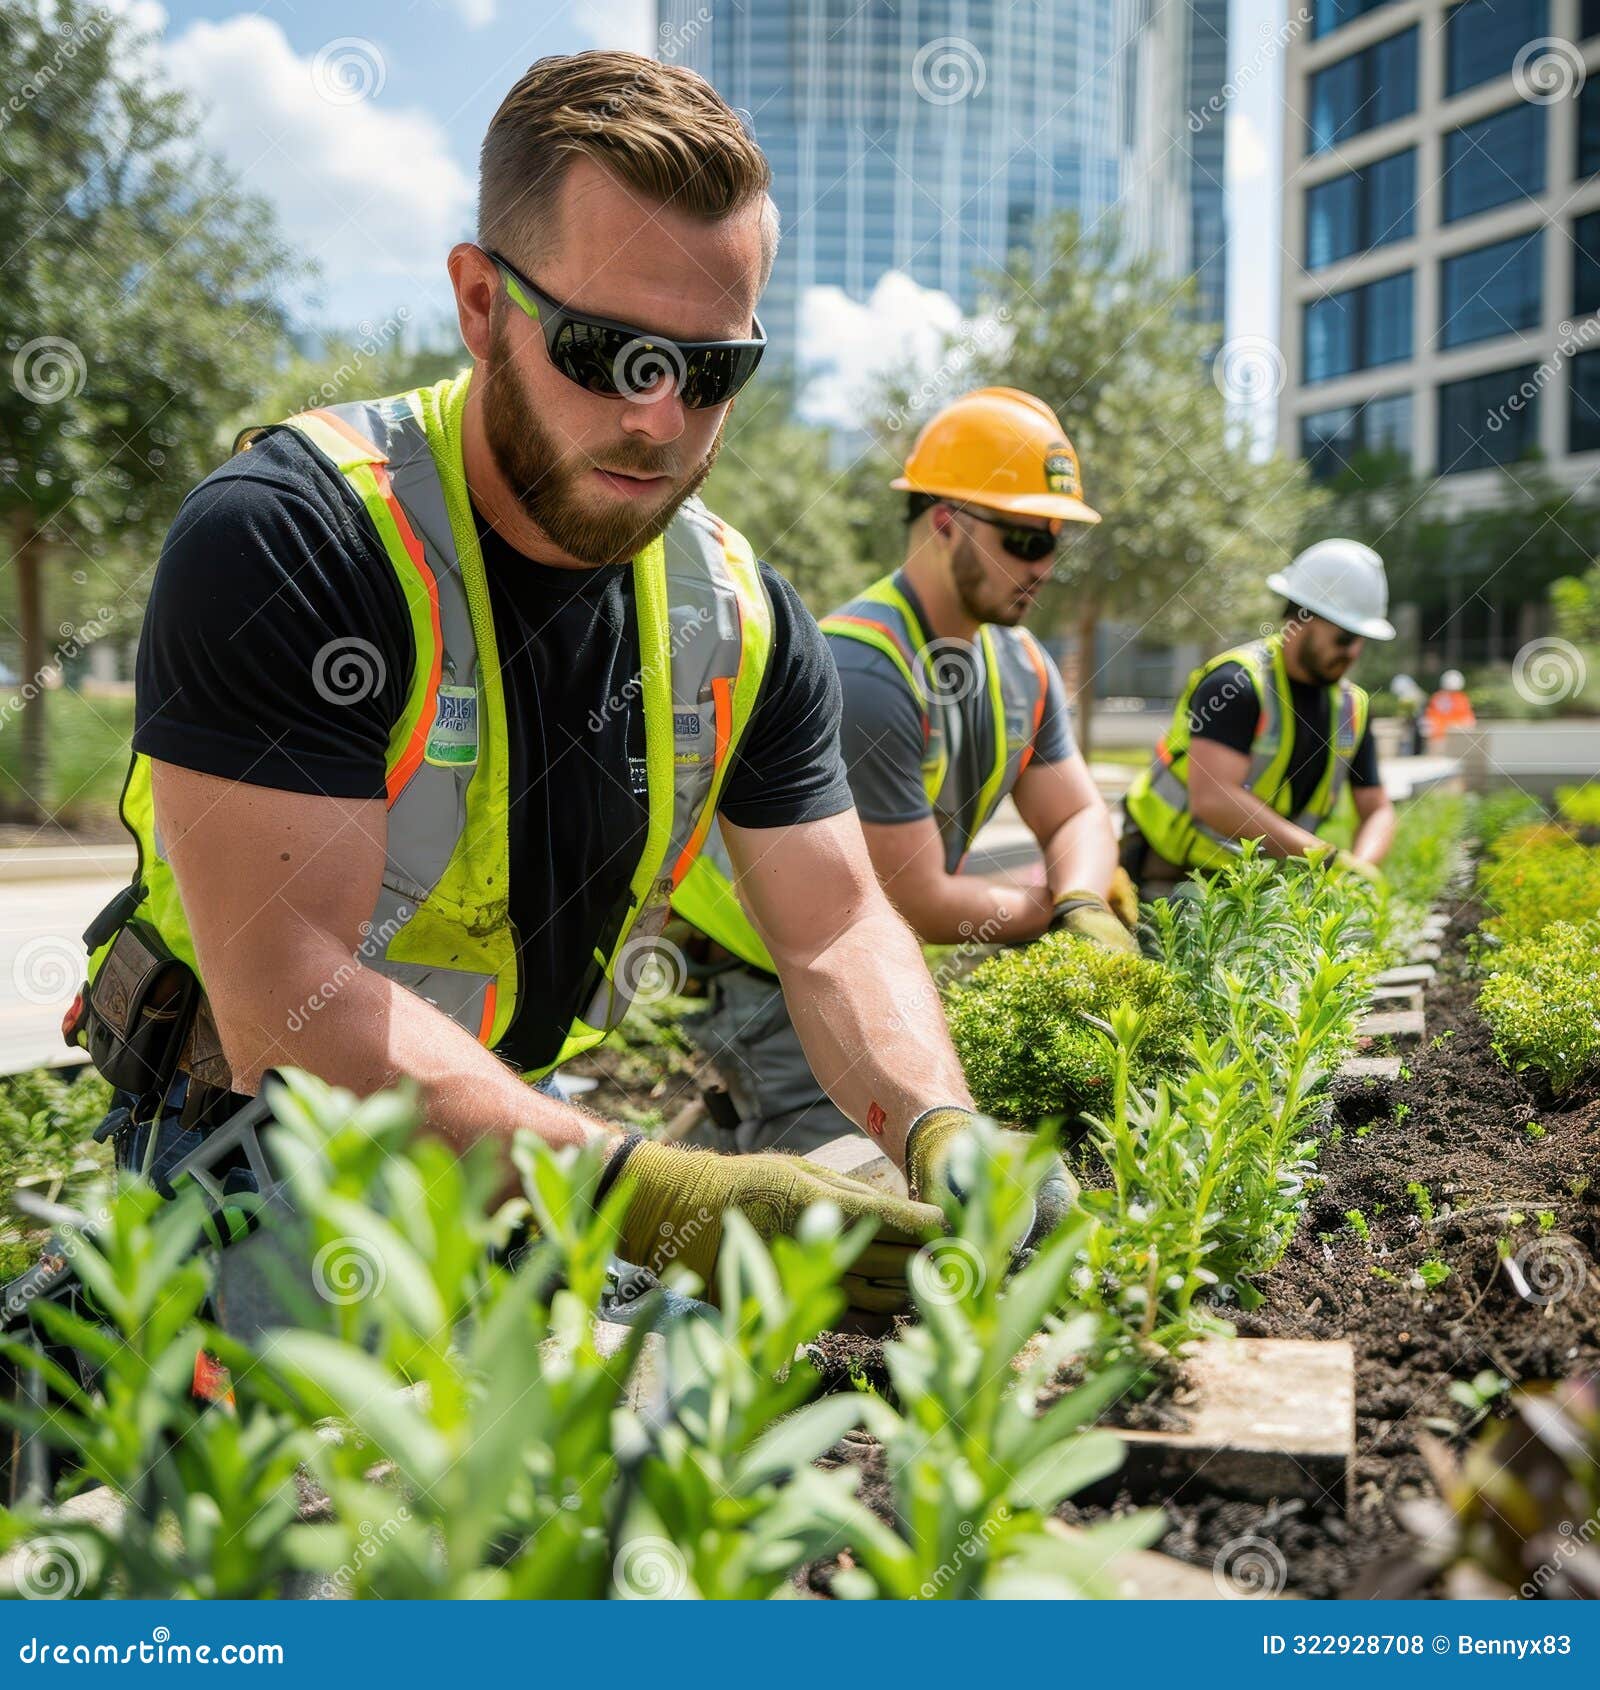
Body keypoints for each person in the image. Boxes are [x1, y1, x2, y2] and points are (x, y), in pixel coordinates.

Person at [61, 52, 1046, 1330]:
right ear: (481, 304)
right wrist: (644, 1190)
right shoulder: (294, 538)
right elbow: (286, 1001)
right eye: (606, 352)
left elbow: (836, 927)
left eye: (710, 370)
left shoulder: (737, 615)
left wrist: (936, 1123)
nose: (658, 420)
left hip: (522, 1142)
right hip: (256, 1152)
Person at [672, 387, 1134, 1154]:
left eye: (1057, 542)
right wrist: (1054, 913)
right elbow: (915, 899)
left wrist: (1084, 899)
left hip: (862, 962)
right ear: (946, 522)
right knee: (842, 1189)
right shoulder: (865, 670)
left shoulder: (1023, 663)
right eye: (1026, 539)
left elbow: (1077, 813)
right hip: (789, 982)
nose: (1046, 566)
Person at [1121, 539, 1398, 898]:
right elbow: (1214, 797)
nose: (1354, 651)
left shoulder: (1351, 708)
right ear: (1301, 617)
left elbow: (1376, 809)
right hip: (1172, 873)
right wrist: (1323, 858)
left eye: (1361, 639)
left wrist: (1359, 869)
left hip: (1257, 888)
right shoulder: (1236, 683)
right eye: (1344, 638)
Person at [1424, 669, 1476, 745]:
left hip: (1446, 734)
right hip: (1441, 735)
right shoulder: (1460, 698)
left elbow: (1468, 720)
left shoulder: (1460, 698)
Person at [1390, 673, 1426, 757]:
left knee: (1410, 740)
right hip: (1413, 724)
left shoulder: (1411, 695)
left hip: (1415, 724)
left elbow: (1408, 715)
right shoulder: (1410, 694)